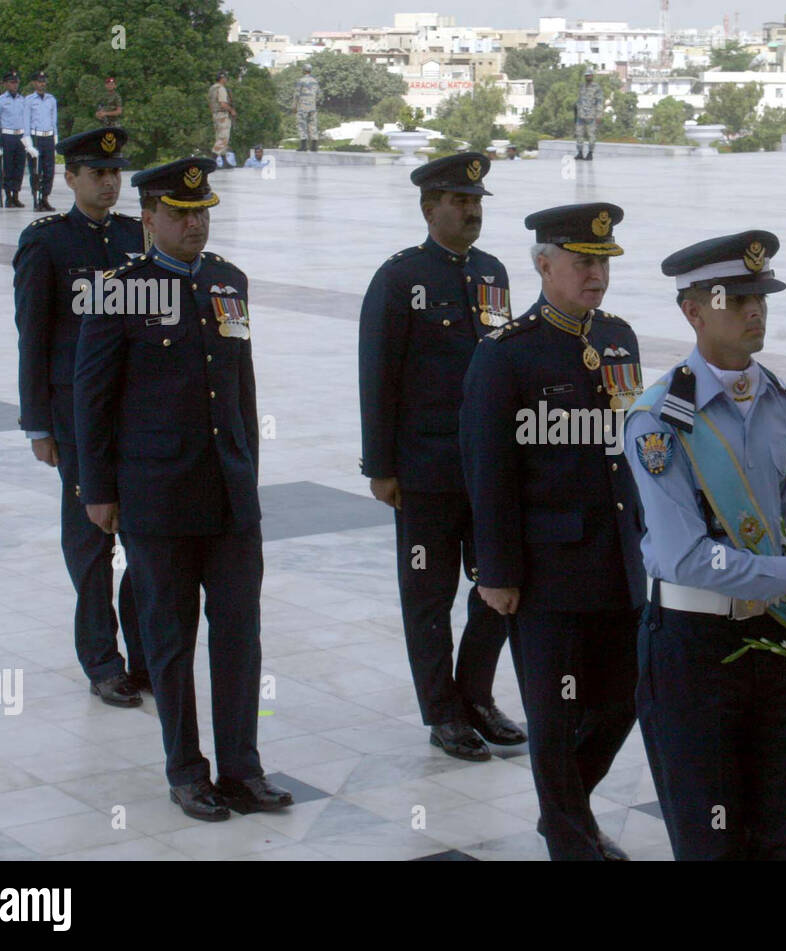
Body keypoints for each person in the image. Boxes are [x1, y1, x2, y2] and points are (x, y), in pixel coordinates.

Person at [74, 156, 293, 821]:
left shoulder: (229, 281)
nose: (194, 224)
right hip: (157, 497)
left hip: (229, 497)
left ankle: (242, 769)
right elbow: (93, 398)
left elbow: (241, 386)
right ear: (150, 218)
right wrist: (99, 490)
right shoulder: (119, 288)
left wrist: (248, 471)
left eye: (202, 213)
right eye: (180, 214)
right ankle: (186, 770)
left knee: (240, 637)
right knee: (170, 642)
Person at [624, 231, 786, 861]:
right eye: (734, 297)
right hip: (695, 650)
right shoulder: (659, 421)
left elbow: (781, 528)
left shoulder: (779, 401)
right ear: (691, 311)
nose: (754, 310)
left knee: (785, 835)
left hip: (775, 643)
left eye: (761, 295)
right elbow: (685, 558)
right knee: (712, 841)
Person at [458, 202, 644, 861]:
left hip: (618, 560)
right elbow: (488, 469)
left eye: (603, 263)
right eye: (583, 262)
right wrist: (496, 571)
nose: (596, 275)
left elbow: (632, 451)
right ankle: (571, 839)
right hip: (546, 569)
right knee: (555, 712)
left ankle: (566, 811)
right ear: (543, 265)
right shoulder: (507, 354)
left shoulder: (619, 338)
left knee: (626, 696)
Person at [358, 153, 524, 761]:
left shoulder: (492, 272)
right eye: (459, 201)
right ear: (430, 209)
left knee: (499, 584)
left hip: (489, 470)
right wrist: (380, 466)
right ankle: (441, 711)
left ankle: (476, 695)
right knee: (427, 594)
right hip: (426, 471)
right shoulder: (401, 277)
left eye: (477, 200)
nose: (472, 210)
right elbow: (377, 373)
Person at [13, 127, 148, 708]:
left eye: (115, 172)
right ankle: (101, 660)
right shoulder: (47, 243)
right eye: (97, 173)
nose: (109, 182)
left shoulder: (132, 237)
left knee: (143, 537)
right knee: (89, 541)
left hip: (135, 413)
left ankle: (144, 653)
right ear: (70, 178)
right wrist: (38, 424)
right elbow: (32, 338)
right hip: (74, 417)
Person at [0, 70, 28, 208]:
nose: (14, 85)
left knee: (19, 166)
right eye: (11, 82)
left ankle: (16, 194)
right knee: (8, 166)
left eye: (16, 83)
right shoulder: (0, 101)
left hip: (20, 135)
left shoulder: (23, 100)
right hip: (7, 135)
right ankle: (8, 195)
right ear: (6, 84)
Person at [27, 70, 58, 211]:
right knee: (36, 170)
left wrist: (56, 139)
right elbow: (25, 122)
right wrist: (28, 144)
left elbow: (54, 121)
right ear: (34, 83)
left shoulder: (51, 99)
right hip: (36, 137)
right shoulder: (29, 100)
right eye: (39, 81)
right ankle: (36, 197)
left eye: (43, 81)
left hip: (49, 136)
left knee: (49, 170)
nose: (42, 84)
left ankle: (45, 197)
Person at [574, 67, 604, 161]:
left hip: (591, 115)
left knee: (591, 135)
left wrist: (599, 115)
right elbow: (579, 100)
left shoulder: (596, 87)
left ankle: (590, 153)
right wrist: (576, 113)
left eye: (589, 75)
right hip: (580, 115)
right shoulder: (582, 86)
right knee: (579, 134)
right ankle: (580, 152)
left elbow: (600, 101)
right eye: (586, 75)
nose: (588, 77)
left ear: (592, 76)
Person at [208, 70, 236, 169]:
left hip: (215, 115)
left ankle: (224, 161)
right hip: (222, 115)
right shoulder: (221, 89)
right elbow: (223, 104)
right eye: (225, 78)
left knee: (219, 137)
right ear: (222, 78)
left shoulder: (212, 88)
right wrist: (231, 110)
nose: (226, 80)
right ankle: (212, 160)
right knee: (223, 138)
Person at [293, 62, 320, 152]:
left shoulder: (301, 81)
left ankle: (304, 145)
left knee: (301, 124)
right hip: (313, 106)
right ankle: (314, 145)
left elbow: (297, 94)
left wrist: (294, 106)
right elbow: (318, 94)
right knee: (313, 124)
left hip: (303, 106)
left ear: (304, 70)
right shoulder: (315, 81)